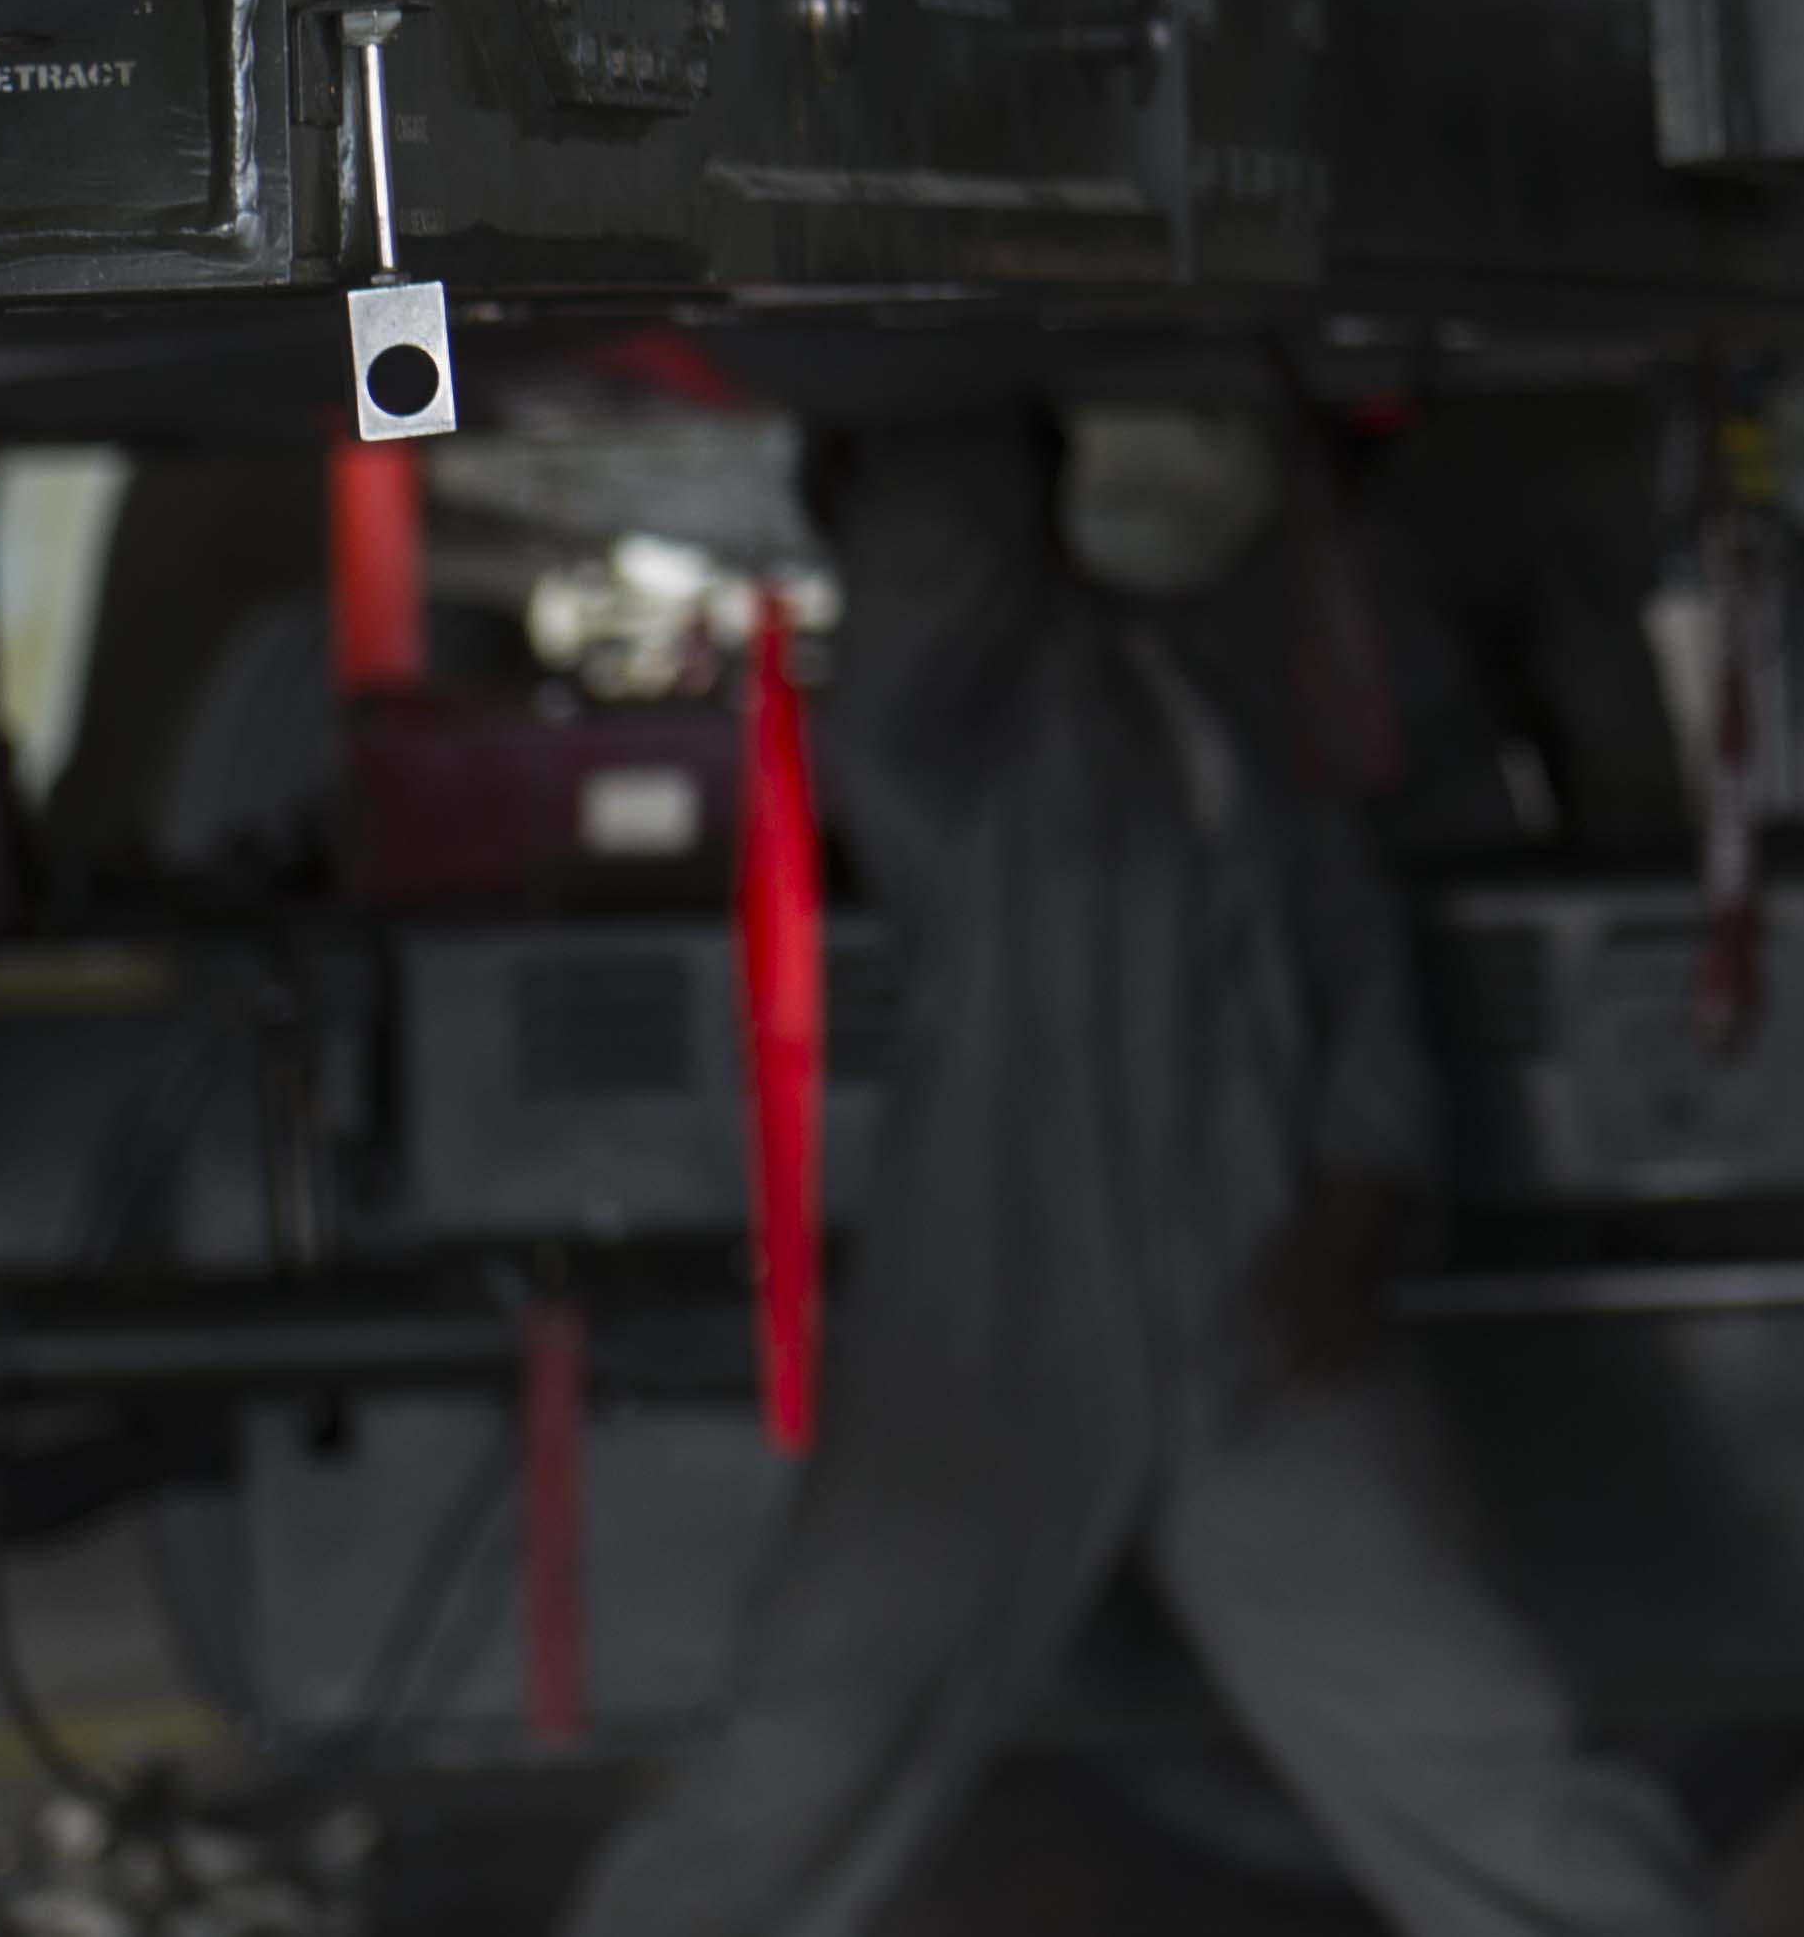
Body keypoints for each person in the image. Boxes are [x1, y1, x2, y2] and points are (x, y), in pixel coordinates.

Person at [553, 395, 1729, 1937]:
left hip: (1253, 1321)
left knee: (1483, 1746)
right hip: (986, 1332)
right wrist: (944, 369)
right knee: (802, 1754)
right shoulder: (938, 733)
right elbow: (940, 532)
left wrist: (1363, 1187)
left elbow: (1353, 963)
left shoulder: (1221, 701)